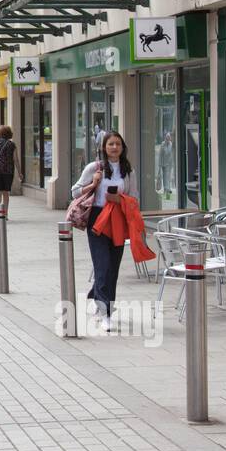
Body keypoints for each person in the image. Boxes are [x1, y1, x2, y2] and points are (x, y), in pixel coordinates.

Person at [71, 131, 138, 328]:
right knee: (103, 265)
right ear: (104, 148)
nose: (114, 147)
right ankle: (105, 312)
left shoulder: (128, 171)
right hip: (98, 219)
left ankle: (98, 294)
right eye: (111, 144)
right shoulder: (95, 167)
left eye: (118, 144)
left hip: (118, 219)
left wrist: (121, 200)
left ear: (123, 147)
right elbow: (74, 191)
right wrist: (93, 184)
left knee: (113, 268)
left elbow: (134, 199)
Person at [0, 124, 23, 218]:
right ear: (9, 134)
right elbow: (16, 160)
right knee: (6, 193)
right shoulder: (11, 144)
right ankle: (5, 214)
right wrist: (19, 173)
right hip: (8, 171)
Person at [157, 131, 174, 198]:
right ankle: (165, 189)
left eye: (169, 137)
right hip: (163, 163)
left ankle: (168, 189)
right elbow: (160, 155)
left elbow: (172, 154)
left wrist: (172, 163)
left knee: (168, 177)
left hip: (169, 164)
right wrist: (159, 165)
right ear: (165, 138)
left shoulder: (171, 144)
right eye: (167, 137)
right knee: (164, 177)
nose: (168, 138)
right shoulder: (162, 144)